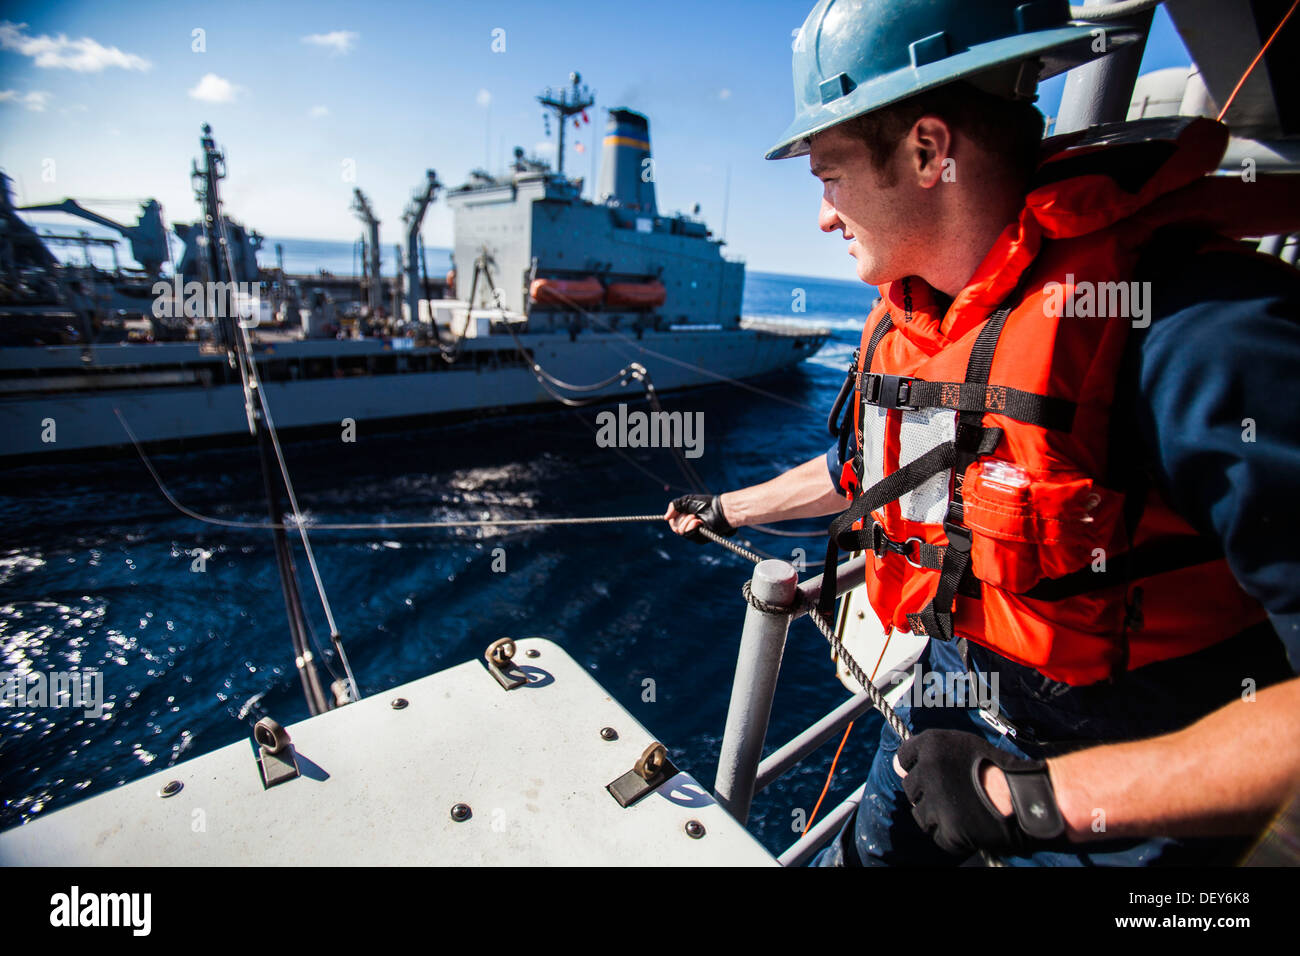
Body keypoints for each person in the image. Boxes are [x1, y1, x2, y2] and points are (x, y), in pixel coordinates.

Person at [666, 0, 1300, 865]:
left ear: (928, 152)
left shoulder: (1200, 334)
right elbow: (871, 471)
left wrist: (1034, 801)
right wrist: (730, 506)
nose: (821, 216)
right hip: (948, 702)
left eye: (828, 177)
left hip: (1127, 804)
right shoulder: (919, 325)